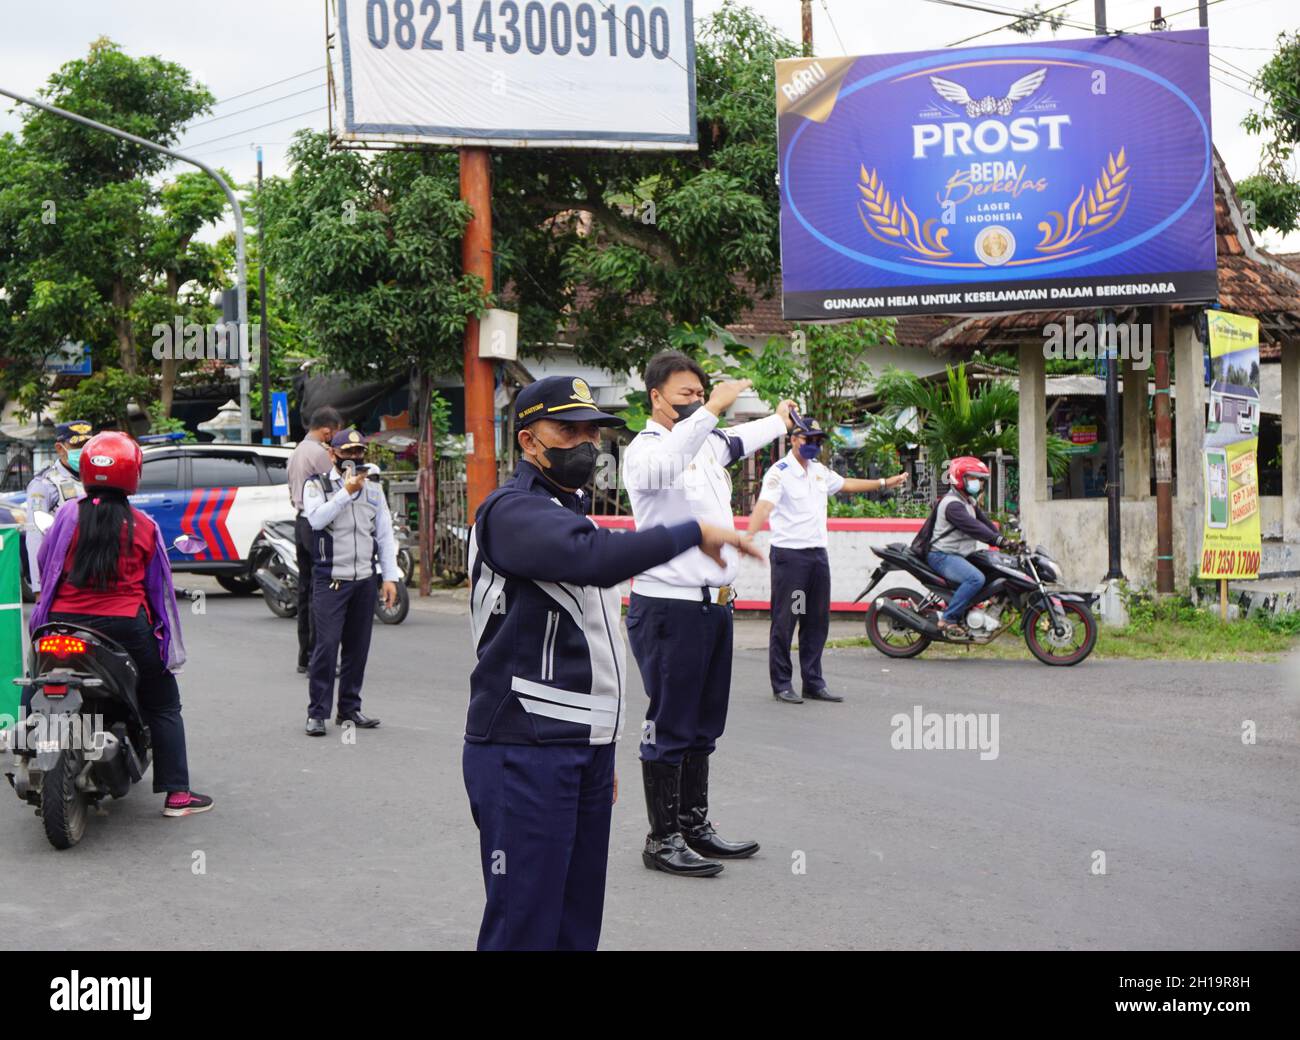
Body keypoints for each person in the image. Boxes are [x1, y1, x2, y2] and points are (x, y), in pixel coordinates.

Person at [464, 375, 761, 950]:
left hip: (578, 751)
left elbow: (595, 648)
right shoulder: (511, 512)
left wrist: (600, 745)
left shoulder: (568, 514)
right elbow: (595, 560)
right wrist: (692, 531)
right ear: (529, 442)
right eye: (567, 429)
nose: (585, 443)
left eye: (590, 432)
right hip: (524, 751)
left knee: (577, 927)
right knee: (524, 927)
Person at [623, 350, 793, 878]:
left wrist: (780, 419)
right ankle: (662, 837)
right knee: (670, 722)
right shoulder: (645, 452)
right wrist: (712, 409)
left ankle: (693, 825)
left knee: (704, 725)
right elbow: (673, 460)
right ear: (656, 398)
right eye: (684, 396)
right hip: (668, 608)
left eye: (700, 394)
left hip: (714, 608)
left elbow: (741, 440)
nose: (695, 403)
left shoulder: (705, 447)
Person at [28, 431, 212, 817]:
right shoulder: (143, 525)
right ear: (134, 473)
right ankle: (178, 794)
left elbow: (46, 565)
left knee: (36, 681)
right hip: (124, 626)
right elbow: (155, 588)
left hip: (62, 622)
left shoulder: (67, 514)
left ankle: (30, 746)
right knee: (163, 702)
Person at [747, 414, 909, 704]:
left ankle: (813, 682)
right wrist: (747, 537)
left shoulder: (819, 471)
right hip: (791, 558)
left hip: (817, 558)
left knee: (816, 621)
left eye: (818, 441)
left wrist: (884, 482)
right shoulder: (779, 472)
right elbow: (764, 505)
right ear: (794, 439)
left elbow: (845, 484)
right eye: (809, 440)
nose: (814, 445)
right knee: (787, 621)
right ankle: (782, 683)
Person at [301, 427, 400, 736]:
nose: (354, 459)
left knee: (358, 648)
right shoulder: (316, 486)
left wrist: (390, 577)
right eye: (347, 453)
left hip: (364, 579)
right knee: (327, 647)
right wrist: (346, 493)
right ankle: (317, 713)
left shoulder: (373, 490)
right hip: (331, 579)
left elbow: (384, 535)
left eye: (359, 454)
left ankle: (350, 709)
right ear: (333, 455)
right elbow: (316, 519)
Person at [909, 456, 1017, 640]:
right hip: (942, 555)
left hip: (960, 555)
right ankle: (948, 619)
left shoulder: (968, 502)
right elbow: (975, 528)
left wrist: (1007, 541)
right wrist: (998, 541)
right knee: (975, 579)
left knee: (995, 570)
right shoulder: (952, 505)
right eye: (973, 478)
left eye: (980, 479)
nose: (978, 483)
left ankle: (971, 610)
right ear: (960, 478)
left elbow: (987, 525)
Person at [287, 407, 342, 674]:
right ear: (327, 430)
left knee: (305, 590)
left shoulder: (296, 451)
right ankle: (318, 657)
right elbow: (336, 485)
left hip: (300, 521)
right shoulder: (319, 454)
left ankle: (304, 656)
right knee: (322, 591)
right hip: (317, 525)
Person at [25, 420, 94, 598]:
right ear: (59, 448)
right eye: (77, 445)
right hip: (62, 575)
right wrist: (39, 587)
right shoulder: (45, 484)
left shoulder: (97, 478)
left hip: (95, 571)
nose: (84, 450)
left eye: (87, 444)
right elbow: (34, 537)